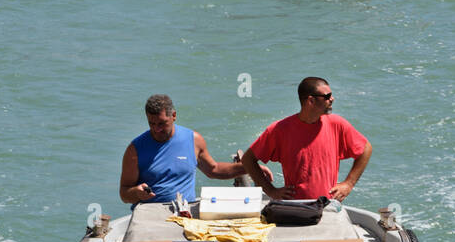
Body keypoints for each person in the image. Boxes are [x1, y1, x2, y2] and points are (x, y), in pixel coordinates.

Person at [119, 94, 267, 204]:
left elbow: (214, 170)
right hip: (151, 214)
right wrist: (137, 193)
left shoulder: (193, 140)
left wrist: (250, 168)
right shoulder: (135, 150)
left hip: (185, 212)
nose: (157, 129)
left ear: (174, 116)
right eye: (152, 124)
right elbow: (124, 193)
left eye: (162, 123)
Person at [242, 77, 371, 201]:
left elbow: (366, 149)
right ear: (311, 101)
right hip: (294, 207)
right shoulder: (280, 129)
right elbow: (248, 159)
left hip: (327, 206)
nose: (332, 99)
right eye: (327, 96)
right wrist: (271, 191)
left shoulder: (337, 124)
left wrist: (349, 184)